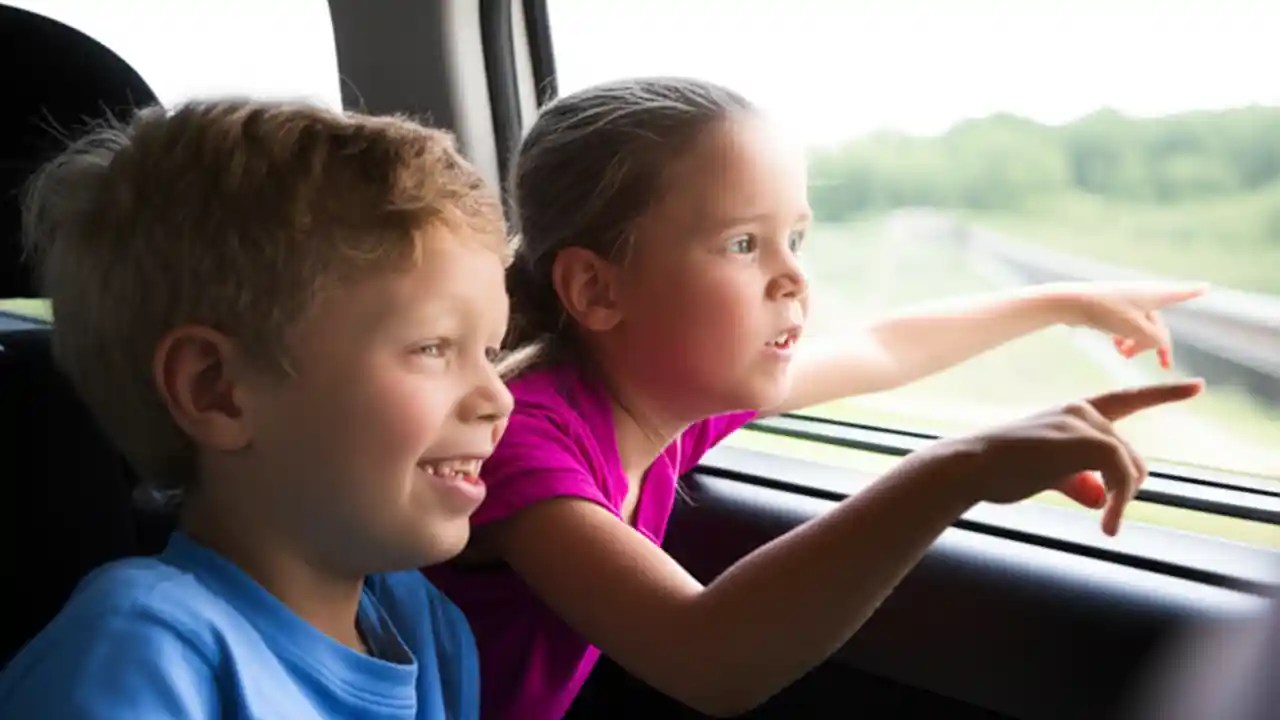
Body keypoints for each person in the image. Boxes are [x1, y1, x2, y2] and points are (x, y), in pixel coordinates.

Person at [425, 76, 1208, 719]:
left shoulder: (658, 403)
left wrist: (1064, 302)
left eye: (794, 238)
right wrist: (959, 469)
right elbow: (707, 658)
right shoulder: (518, 441)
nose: (794, 276)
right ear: (597, 288)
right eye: (742, 243)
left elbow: (884, 347)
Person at [0, 99, 513, 719]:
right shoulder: (141, 657)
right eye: (433, 348)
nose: (497, 397)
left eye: (491, 351)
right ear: (216, 389)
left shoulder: (427, 628)